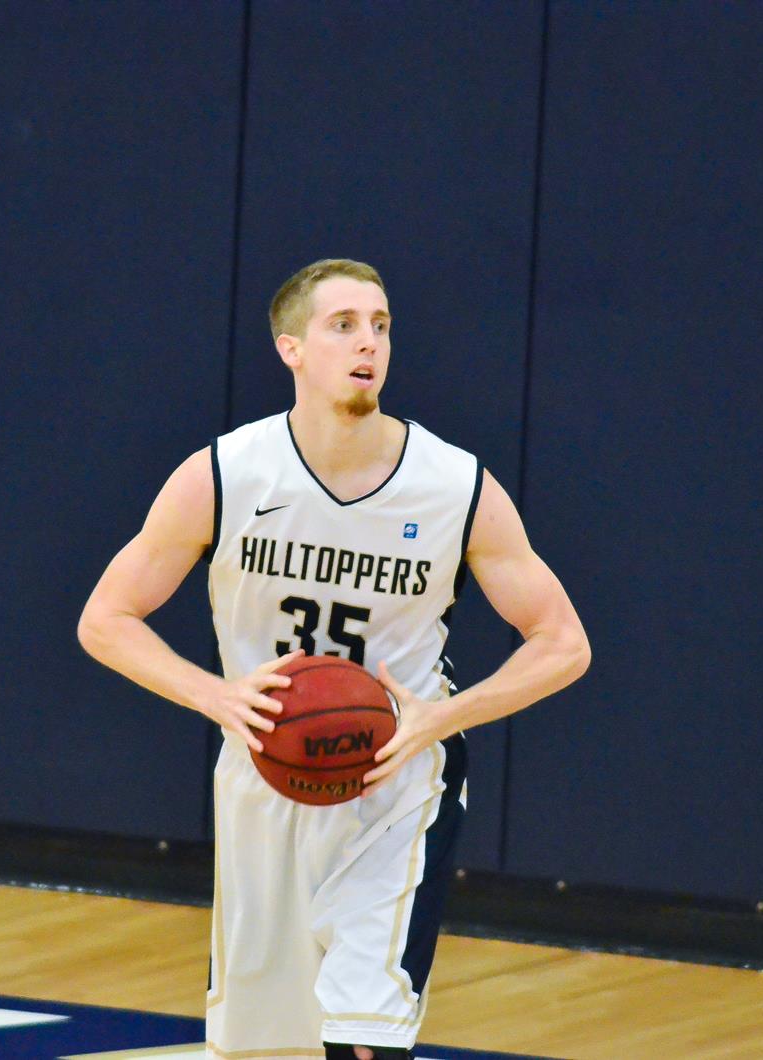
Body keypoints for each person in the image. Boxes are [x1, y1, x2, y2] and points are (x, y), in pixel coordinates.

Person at [78, 259, 590, 1059]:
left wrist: (441, 719)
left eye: (381, 325)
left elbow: (564, 643)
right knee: (264, 1050)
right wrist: (217, 697)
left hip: (396, 781)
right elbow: (106, 619)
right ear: (291, 349)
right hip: (265, 776)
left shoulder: (455, 487)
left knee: (364, 1037)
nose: (369, 343)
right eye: (343, 324)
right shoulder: (226, 474)